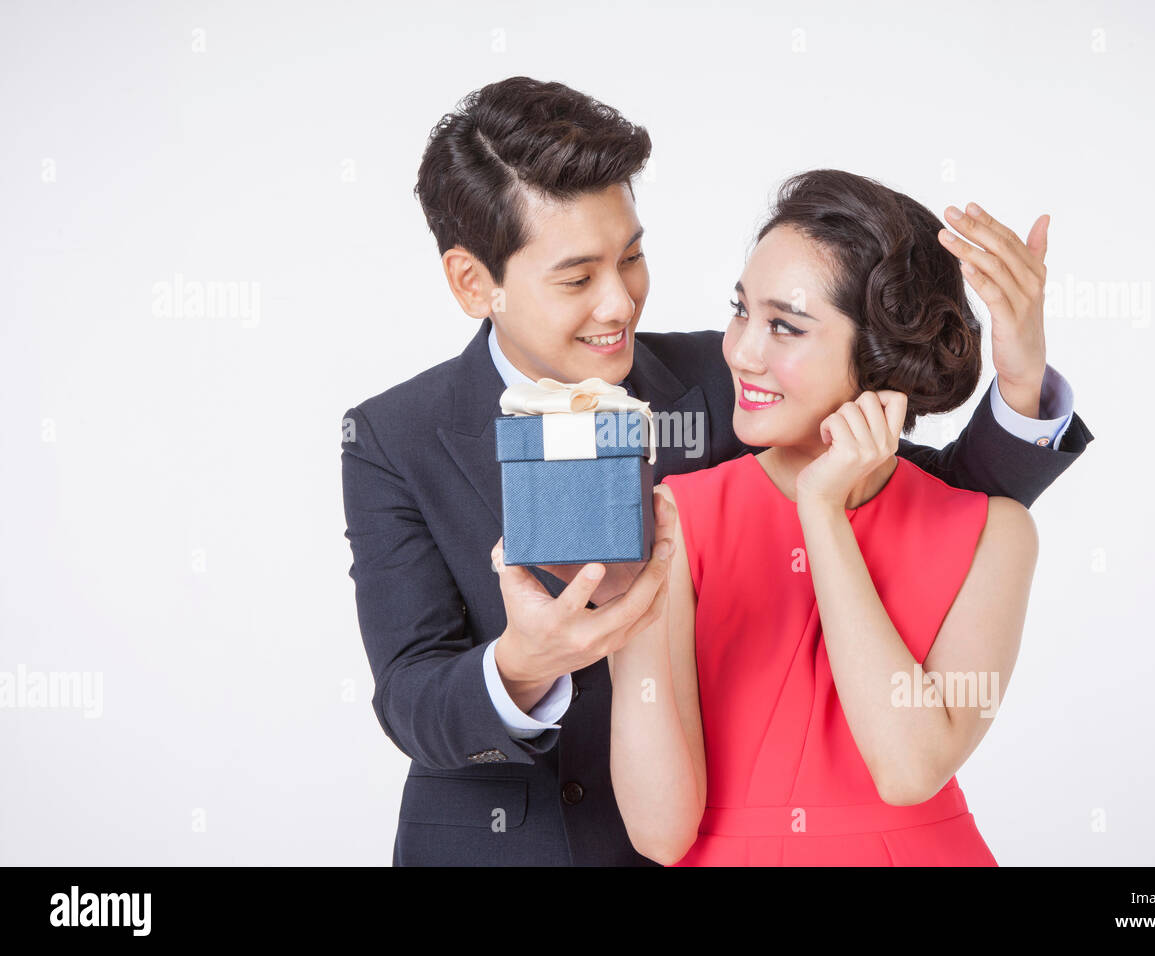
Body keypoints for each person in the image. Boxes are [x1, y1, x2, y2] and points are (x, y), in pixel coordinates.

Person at [340, 76, 1094, 866]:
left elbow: (912, 500)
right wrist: (526, 663)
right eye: (575, 278)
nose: (618, 305)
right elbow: (411, 697)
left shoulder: (729, 377)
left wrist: (1017, 386)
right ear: (473, 282)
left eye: (631, 257)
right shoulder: (394, 437)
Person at [611, 170, 1045, 865]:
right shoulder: (677, 520)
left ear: (879, 356)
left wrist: (821, 512)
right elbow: (661, 834)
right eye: (742, 310)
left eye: (785, 325)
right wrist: (622, 615)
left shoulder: (995, 533)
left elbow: (909, 769)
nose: (742, 351)